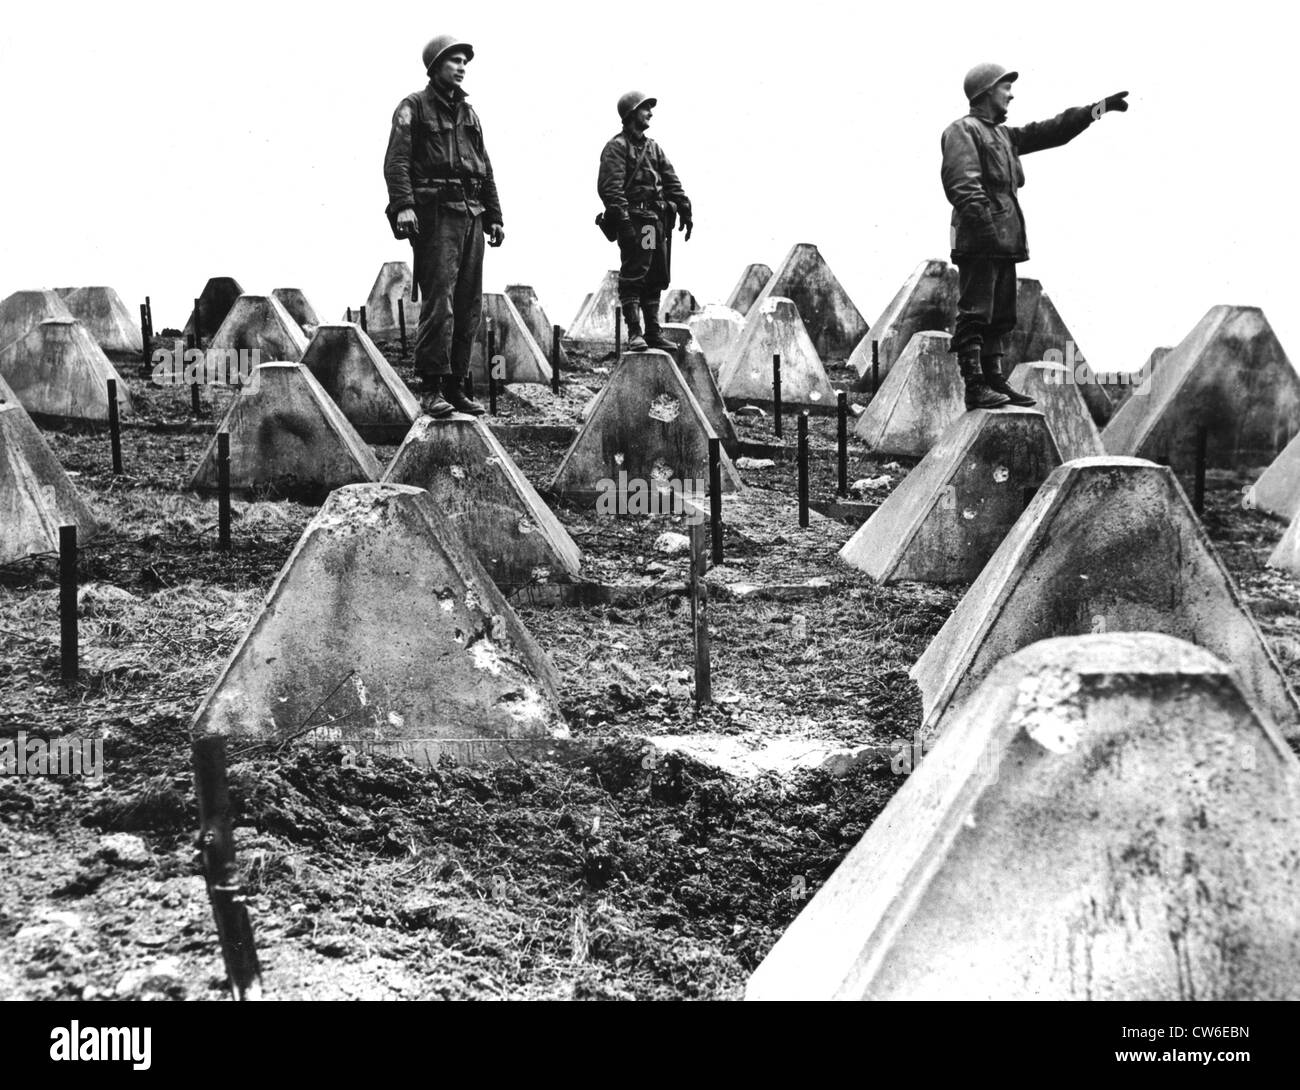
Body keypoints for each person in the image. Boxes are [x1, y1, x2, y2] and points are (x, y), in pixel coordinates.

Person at [941, 64, 1128, 409]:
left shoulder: (1005, 136)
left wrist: (1096, 110)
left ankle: (994, 379)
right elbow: (963, 186)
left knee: (1000, 314)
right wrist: (986, 235)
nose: (1011, 94)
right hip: (982, 240)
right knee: (975, 313)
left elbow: (1052, 131)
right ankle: (975, 385)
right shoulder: (962, 131)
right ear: (985, 92)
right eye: (1004, 88)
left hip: (1004, 242)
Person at [384, 34, 505, 416]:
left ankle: (455, 388)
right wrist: (404, 205)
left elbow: (485, 169)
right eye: (454, 60)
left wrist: (495, 215)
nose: (462, 67)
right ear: (435, 66)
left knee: (468, 304)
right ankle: (431, 387)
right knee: (441, 302)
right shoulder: (413, 107)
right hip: (437, 217)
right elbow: (396, 162)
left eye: (464, 61)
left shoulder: (470, 114)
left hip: (472, 215)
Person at [597, 92, 693, 352]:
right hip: (635, 221)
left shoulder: (654, 148)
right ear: (631, 113)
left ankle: (653, 332)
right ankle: (634, 333)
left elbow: (672, 181)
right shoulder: (616, 147)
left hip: (654, 223)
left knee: (655, 274)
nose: (650, 113)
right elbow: (610, 189)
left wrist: (685, 208)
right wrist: (624, 223)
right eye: (645, 109)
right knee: (634, 274)